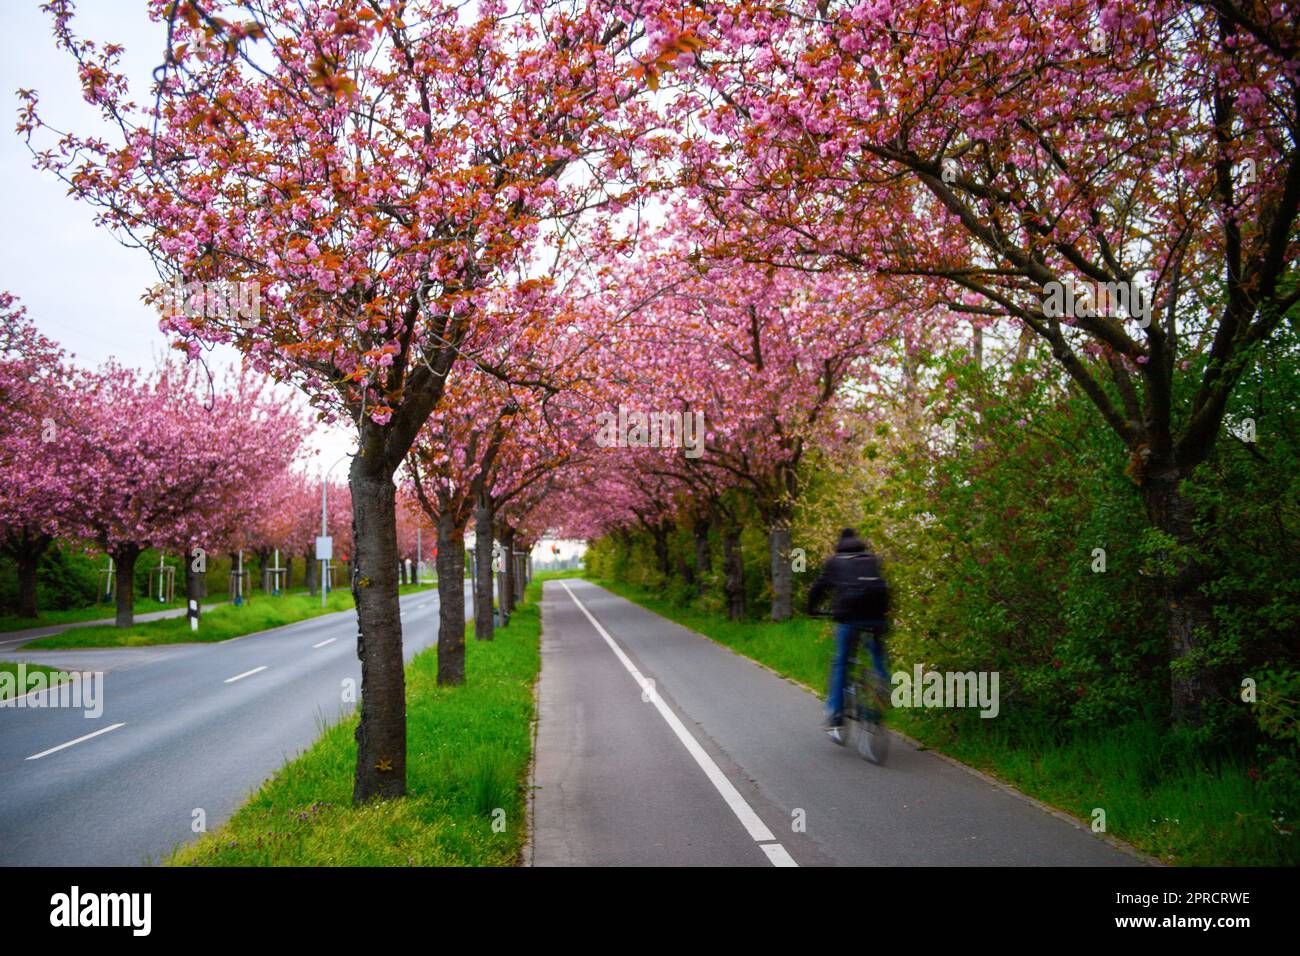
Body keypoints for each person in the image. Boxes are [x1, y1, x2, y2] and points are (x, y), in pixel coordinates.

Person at [806, 528, 890, 744]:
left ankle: (835, 713)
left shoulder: (835, 561)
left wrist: (811, 608)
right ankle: (881, 678)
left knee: (841, 662)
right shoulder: (872, 559)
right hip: (877, 618)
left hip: (850, 618)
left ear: (840, 543)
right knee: (877, 654)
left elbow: (819, 588)